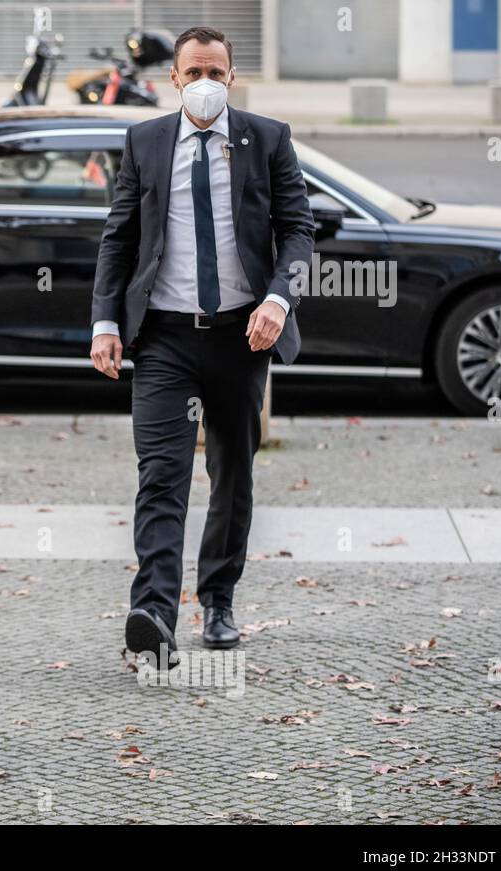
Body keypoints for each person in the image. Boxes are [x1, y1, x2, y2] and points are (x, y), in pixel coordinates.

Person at [89, 26, 314, 664]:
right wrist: (106, 322)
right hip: (162, 336)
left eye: (217, 71)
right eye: (194, 72)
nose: (206, 82)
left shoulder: (267, 139)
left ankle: (218, 600)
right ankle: (154, 613)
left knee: (231, 474)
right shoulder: (145, 140)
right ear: (176, 79)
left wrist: (277, 299)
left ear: (232, 77)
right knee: (160, 475)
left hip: (242, 334)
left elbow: (298, 231)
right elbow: (119, 237)